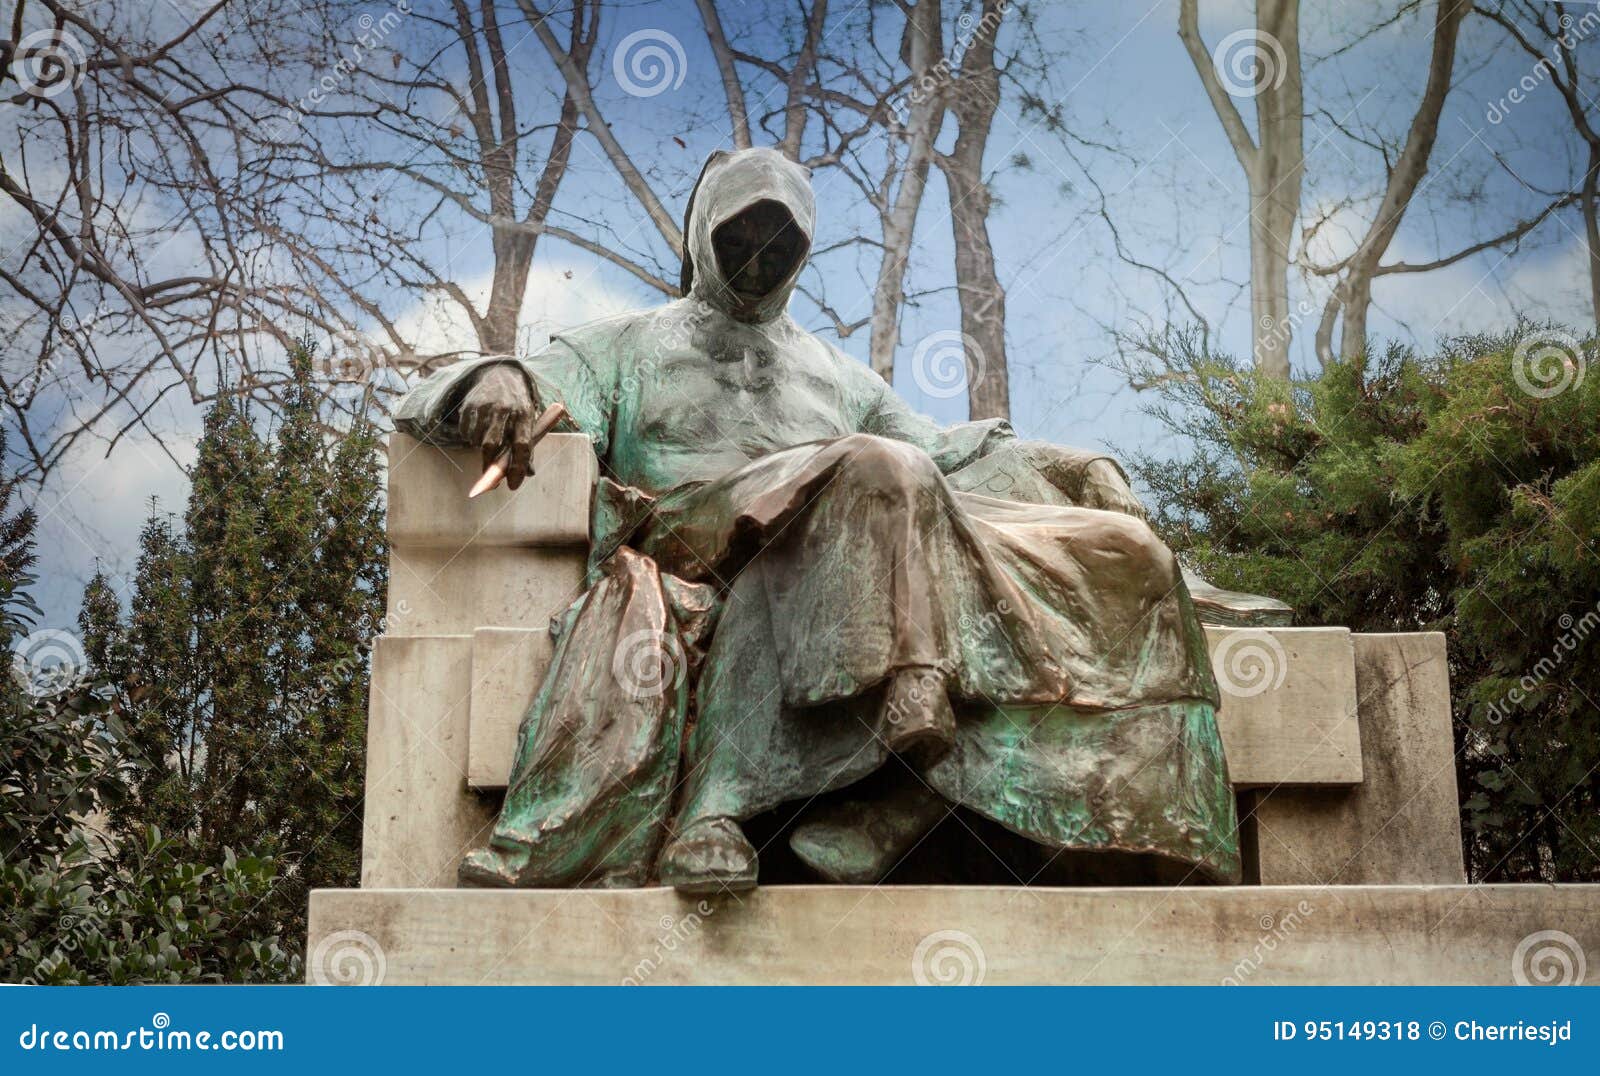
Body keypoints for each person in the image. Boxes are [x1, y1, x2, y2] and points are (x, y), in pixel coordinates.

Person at [395, 147, 1242, 892]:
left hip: (825, 548)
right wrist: (493, 379)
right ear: (700, 235)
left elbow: (948, 452)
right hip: (690, 532)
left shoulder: (838, 376)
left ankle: (907, 791)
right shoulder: (626, 344)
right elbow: (516, 386)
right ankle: (911, 700)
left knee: (1124, 548)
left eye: (780, 245)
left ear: (802, 254)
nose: (756, 261)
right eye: (738, 238)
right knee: (878, 465)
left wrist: (1075, 466)